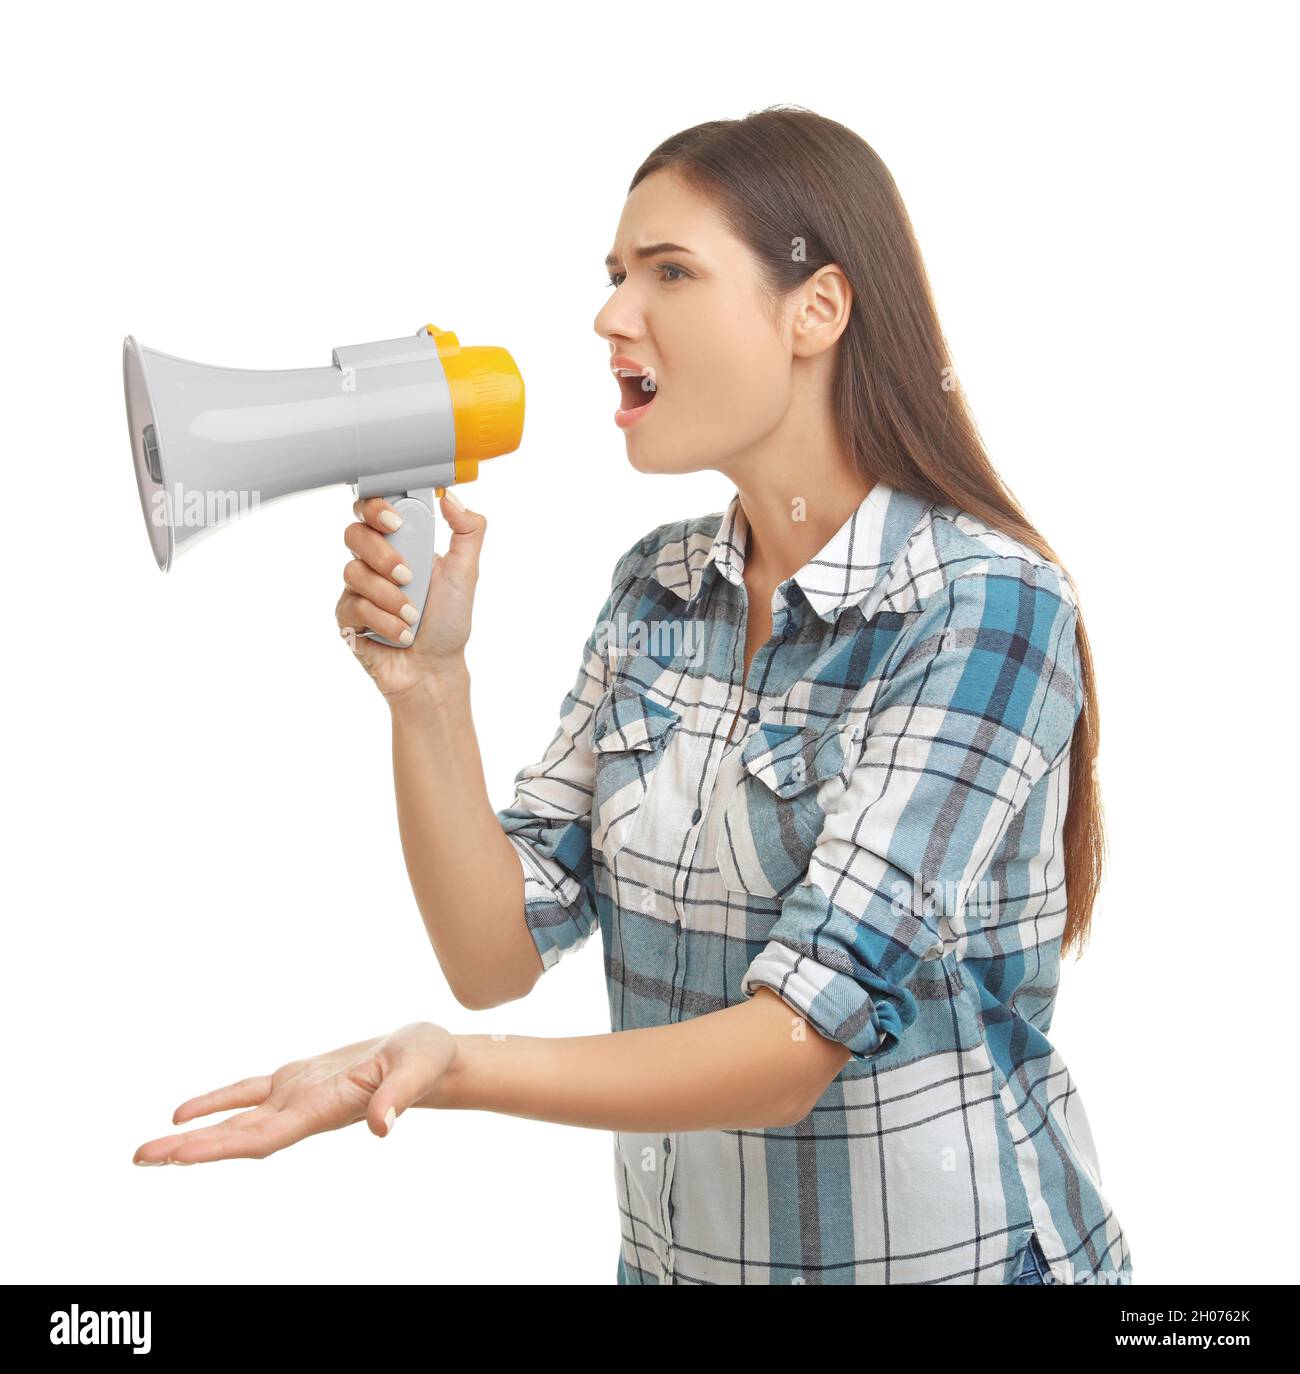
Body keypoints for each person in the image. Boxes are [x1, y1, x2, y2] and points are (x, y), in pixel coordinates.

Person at [133, 106, 1133, 1287]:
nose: (611, 315)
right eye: (615, 274)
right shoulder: (659, 588)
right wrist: (428, 688)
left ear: (817, 309)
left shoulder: (982, 608)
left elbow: (791, 1046)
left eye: (669, 271)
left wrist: (455, 1069)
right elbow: (494, 949)